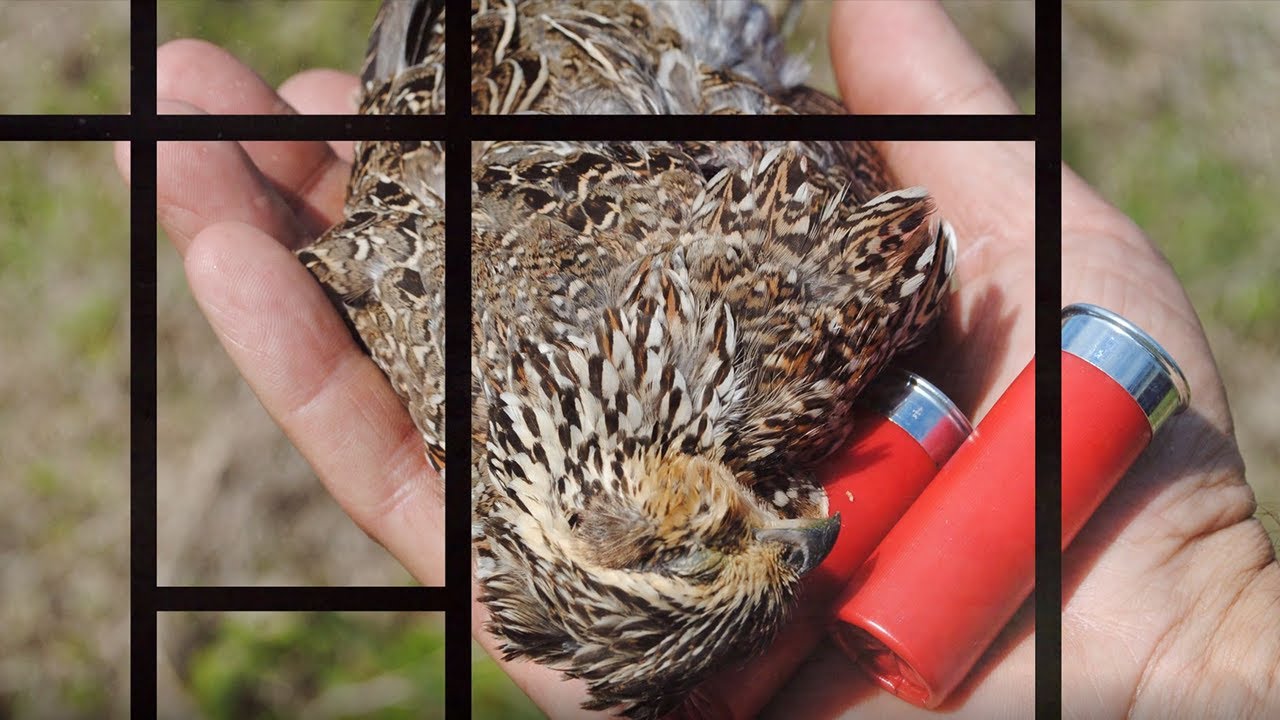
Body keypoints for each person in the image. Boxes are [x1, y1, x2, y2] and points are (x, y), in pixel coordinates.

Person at [127, 1, 1278, 716]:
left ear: (614, 526)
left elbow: (889, 239)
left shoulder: (794, 334)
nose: (791, 522)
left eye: (728, 531)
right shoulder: (436, 377)